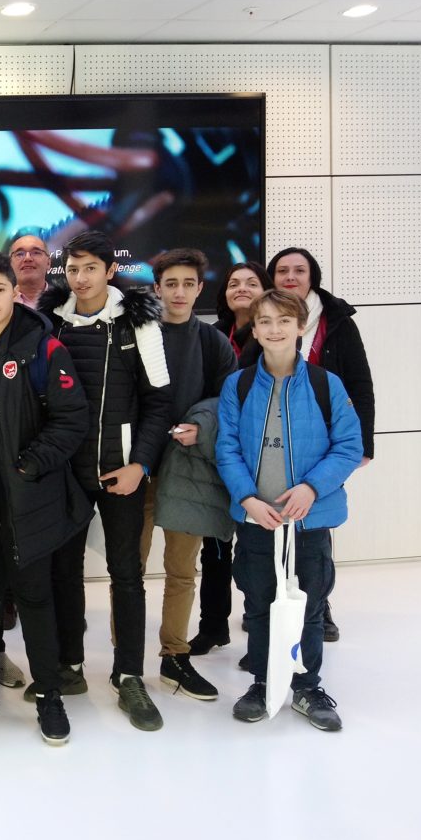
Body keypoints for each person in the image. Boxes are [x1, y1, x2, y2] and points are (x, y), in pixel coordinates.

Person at [40, 230, 172, 732]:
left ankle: (129, 675)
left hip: (122, 472)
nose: (80, 278)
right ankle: (69, 665)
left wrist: (141, 465)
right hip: (66, 474)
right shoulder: (52, 320)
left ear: (110, 270)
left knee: (127, 574)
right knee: (64, 572)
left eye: (90, 268)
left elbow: (159, 402)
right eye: (73, 269)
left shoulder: (139, 321)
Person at [0, 251, 90, 744]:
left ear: (15, 291)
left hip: (30, 496)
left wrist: (30, 463)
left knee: (35, 596)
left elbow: (72, 419)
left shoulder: (44, 349)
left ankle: (50, 693)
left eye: (0, 289)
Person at [215, 289, 362, 732]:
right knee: (260, 604)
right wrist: (248, 498)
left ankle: (306, 687)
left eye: (284, 320)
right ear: (254, 330)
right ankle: (263, 683)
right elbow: (226, 448)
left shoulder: (325, 384)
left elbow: (349, 446)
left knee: (309, 606)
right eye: (265, 321)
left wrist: (312, 488)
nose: (274, 329)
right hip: (258, 519)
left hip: (308, 521)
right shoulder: (238, 385)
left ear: (301, 327)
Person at [140, 248, 237, 703]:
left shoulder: (213, 343)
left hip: (189, 470)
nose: (179, 292)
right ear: (157, 288)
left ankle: (174, 656)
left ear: (200, 288)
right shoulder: (137, 334)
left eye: (188, 284)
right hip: (139, 466)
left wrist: (203, 426)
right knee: (129, 570)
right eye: (171, 283)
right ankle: (125, 661)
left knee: (181, 570)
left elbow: (230, 402)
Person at [266, 246, 375, 643]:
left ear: (312, 276)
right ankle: (272, 603)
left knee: (314, 525)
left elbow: (360, 382)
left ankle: (318, 606)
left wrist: (363, 443)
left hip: (325, 440)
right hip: (274, 438)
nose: (290, 277)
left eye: (299, 270)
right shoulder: (263, 319)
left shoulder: (337, 321)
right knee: (272, 522)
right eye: (282, 271)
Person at [190, 262, 266, 655]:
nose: (242, 288)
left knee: (256, 549)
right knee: (216, 548)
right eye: (234, 282)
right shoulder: (212, 335)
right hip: (217, 452)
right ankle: (213, 626)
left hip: (262, 455)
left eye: (252, 282)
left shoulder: (274, 335)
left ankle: (261, 627)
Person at [8, 229, 53, 307]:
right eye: (20, 254)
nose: (27, 258)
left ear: (48, 263)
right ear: (10, 263)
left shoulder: (67, 302)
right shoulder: (0, 303)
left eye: (36, 253)